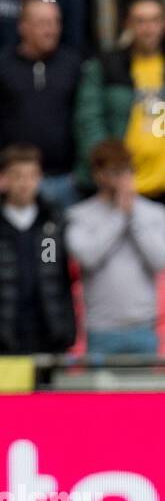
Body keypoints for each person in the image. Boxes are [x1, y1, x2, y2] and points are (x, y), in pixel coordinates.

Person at [73, 0, 165, 220]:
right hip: (118, 185)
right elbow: (89, 120)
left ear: (163, 25)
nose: (148, 28)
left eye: (154, 20)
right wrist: (107, 169)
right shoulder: (104, 66)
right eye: (140, 21)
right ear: (128, 25)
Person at [65, 139, 165, 355]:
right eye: (115, 172)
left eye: (127, 171)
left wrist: (133, 216)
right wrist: (119, 217)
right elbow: (88, 257)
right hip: (100, 329)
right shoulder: (79, 215)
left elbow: (160, 260)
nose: (123, 180)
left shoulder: (155, 213)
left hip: (144, 326)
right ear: (98, 174)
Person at [0, 0, 82, 210]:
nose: (51, 30)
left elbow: (84, 118)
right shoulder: (4, 65)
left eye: (56, 23)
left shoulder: (73, 65)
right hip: (16, 180)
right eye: (44, 24)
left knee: (62, 240)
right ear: (23, 27)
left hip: (66, 179)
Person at [0, 144, 76, 354]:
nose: (25, 183)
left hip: (46, 335)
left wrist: (64, 329)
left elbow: (55, 274)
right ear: (4, 179)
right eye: (17, 176)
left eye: (31, 176)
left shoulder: (50, 223)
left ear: (39, 178)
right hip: (6, 337)